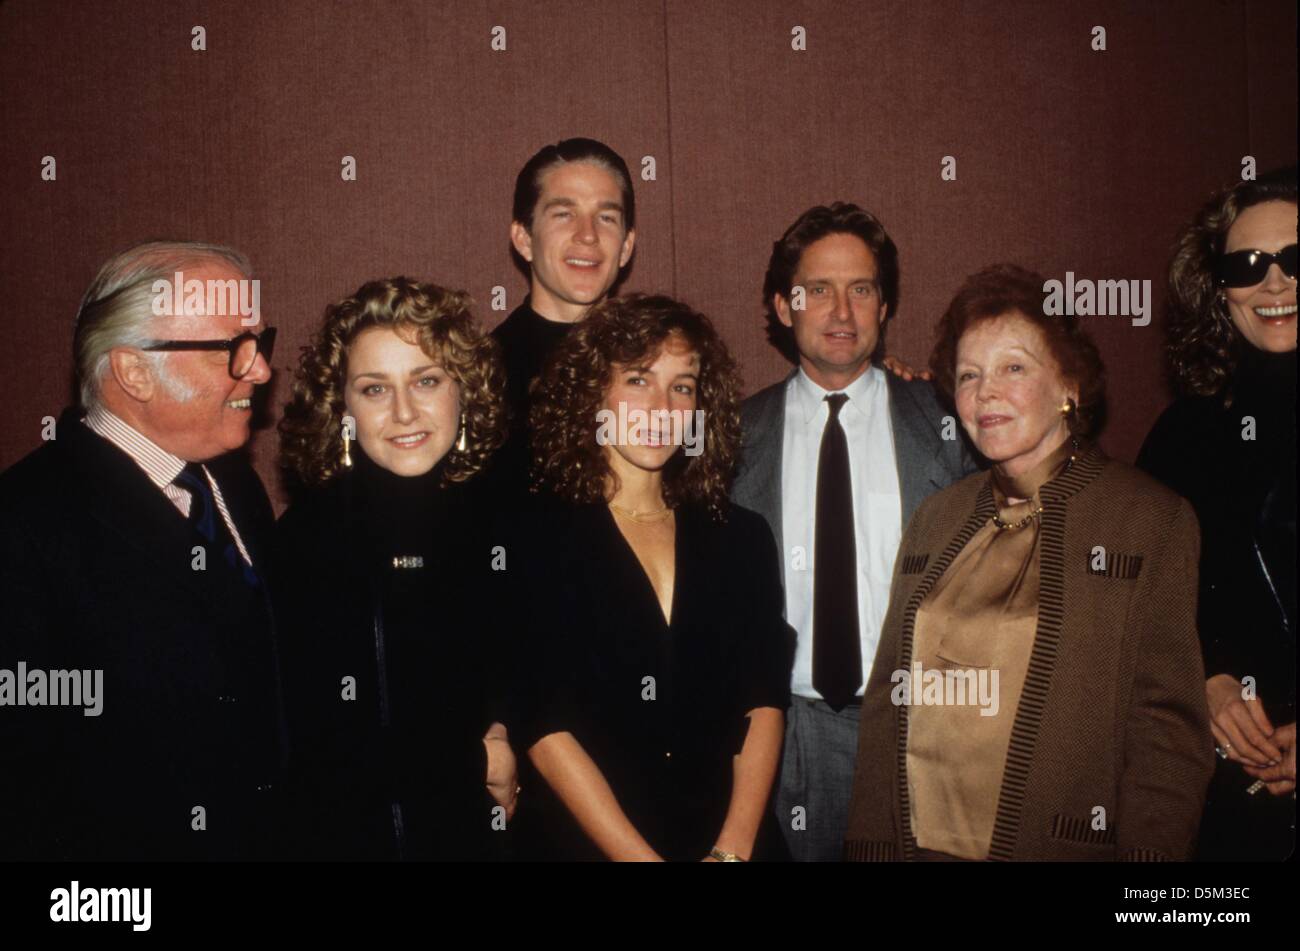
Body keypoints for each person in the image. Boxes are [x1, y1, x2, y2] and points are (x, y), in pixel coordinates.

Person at [845, 263, 1213, 861]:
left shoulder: (1150, 520)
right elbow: (889, 697)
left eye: (1013, 367)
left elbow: (1166, 732)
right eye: (969, 375)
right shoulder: (937, 517)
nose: (985, 391)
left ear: (1069, 385)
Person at [0, 240, 283, 860]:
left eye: (259, 342)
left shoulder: (234, 482)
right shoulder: (22, 525)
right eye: (229, 348)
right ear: (133, 372)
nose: (259, 369)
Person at [508, 294, 795, 861]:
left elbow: (763, 699)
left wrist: (732, 851)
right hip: (590, 842)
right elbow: (543, 722)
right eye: (638, 380)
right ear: (593, 393)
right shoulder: (534, 538)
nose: (663, 406)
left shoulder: (740, 536)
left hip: (728, 838)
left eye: (682, 386)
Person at [732, 202, 978, 861]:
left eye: (861, 289)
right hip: (789, 736)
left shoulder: (953, 422)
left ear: (885, 305)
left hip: (925, 724)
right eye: (818, 290)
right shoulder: (730, 440)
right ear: (785, 307)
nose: (841, 312)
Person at [276, 277, 516, 860]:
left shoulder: (500, 521)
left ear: (465, 391)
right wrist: (481, 757)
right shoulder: (308, 540)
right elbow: (325, 739)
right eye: (374, 389)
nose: (405, 411)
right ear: (343, 410)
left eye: (426, 381)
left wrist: (504, 729)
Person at [1137, 166, 1297, 861]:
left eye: (1296, 259)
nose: (1275, 283)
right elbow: (1137, 600)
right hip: (1230, 801)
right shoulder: (1183, 436)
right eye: (1248, 264)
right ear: (1218, 288)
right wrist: (1206, 678)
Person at [485, 137, 638, 496]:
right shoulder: (483, 375)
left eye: (606, 217)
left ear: (626, 246)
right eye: (564, 214)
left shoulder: (661, 366)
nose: (587, 235)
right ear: (524, 239)